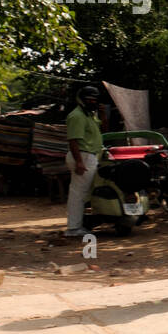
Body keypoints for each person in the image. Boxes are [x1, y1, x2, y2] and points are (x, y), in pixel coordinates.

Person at [64, 85, 104, 238]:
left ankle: (79, 224)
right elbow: (73, 140)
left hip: (89, 156)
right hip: (82, 156)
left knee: (83, 193)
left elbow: (102, 130)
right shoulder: (77, 116)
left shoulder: (89, 115)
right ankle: (73, 228)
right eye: (89, 99)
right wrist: (79, 162)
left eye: (94, 100)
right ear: (81, 99)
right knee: (78, 194)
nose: (92, 102)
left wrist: (103, 116)